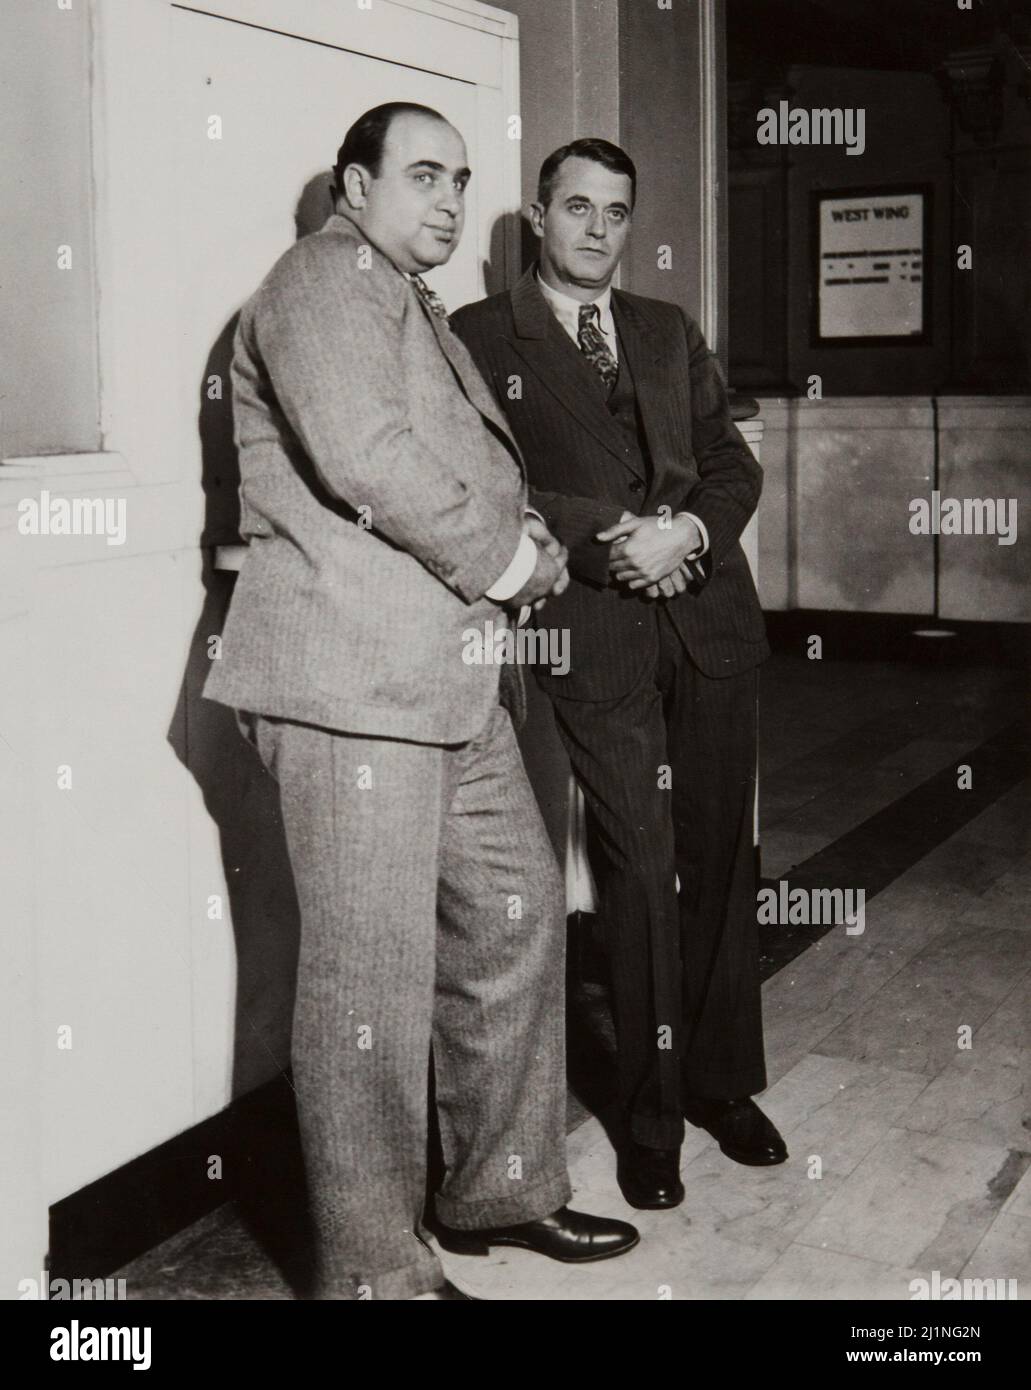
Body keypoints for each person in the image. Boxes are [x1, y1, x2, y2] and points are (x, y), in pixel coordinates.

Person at [203, 106, 638, 1300]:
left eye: (461, 180)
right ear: (354, 185)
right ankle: (371, 1275)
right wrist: (508, 564)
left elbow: (456, 466)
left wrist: (530, 532)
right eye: (424, 177)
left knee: (512, 912)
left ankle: (497, 1189)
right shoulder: (321, 279)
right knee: (366, 992)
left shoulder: (402, 296)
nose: (450, 202)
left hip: (440, 677)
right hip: (350, 690)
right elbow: (366, 455)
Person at [451, 137, 787, 1212]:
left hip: (707, 625)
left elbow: (733, 461)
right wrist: (617, 538)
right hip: (590, 635)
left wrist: (685, 529)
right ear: (537, 217)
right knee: (638, 872)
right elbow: (492, 484)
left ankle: (720, 1081)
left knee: (717, 859)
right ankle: (650, 1124)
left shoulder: (663, 329)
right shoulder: (476, 338)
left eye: (615, 212)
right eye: (577, 208)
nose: (598, 230)